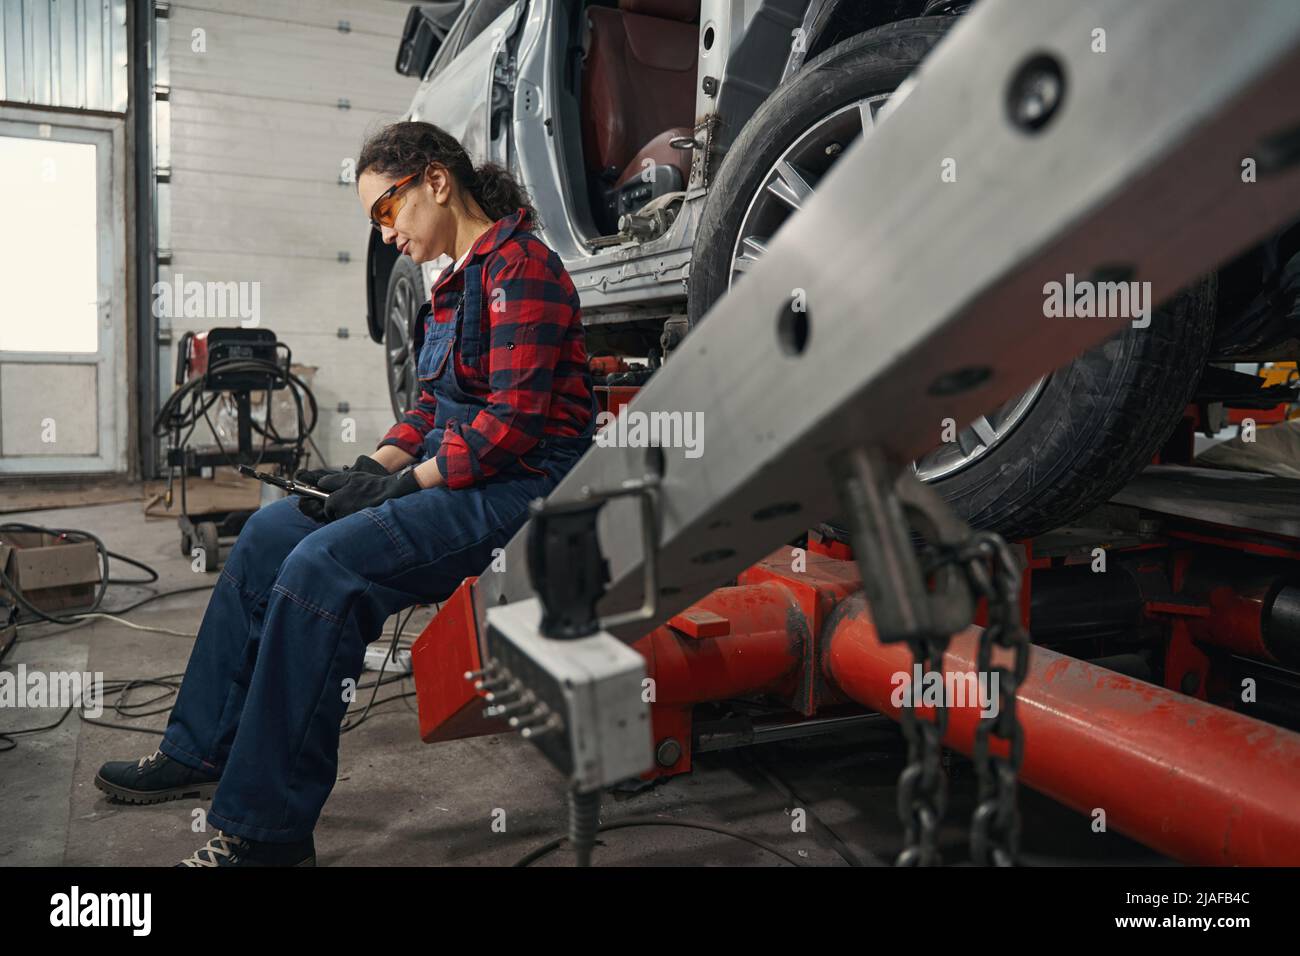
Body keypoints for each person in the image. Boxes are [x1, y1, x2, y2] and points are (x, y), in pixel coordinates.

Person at [94, 121, 596, 866]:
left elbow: (512, 426)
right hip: (464, 472)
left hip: (525, 487)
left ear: (434, 180)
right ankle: (204, 747)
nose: (385, 235)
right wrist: (366, 470)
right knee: (271, 534)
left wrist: (398, 487)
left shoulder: (522, 268)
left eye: (385, 212)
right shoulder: (455, 283)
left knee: (323, 568)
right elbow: (432, 411)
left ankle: (271, 833)